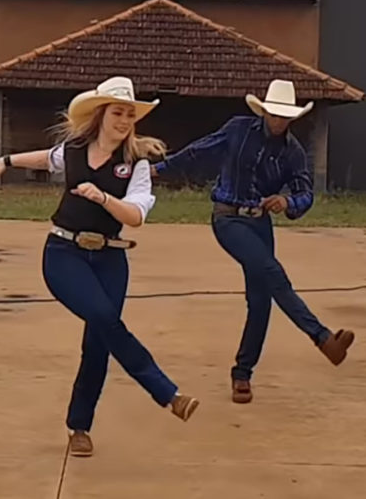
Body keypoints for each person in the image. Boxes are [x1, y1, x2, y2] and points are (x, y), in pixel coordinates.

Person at [0, 76, 199, 458]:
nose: (123, 121)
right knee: (104, 317)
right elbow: (46, 157)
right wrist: (5, 161)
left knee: (99, 342)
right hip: (63, 254)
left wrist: (102, 198)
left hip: (110, 258)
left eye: (130, 115)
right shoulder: (73, 150)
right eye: (117, 112)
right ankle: (166, 393)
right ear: (101, 115)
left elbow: (135, 216)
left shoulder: (135, 165)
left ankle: (78, 427)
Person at [151, 79, 355, 404]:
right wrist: (158, 170)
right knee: (272, 272)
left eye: (284, 116)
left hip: (260, 223)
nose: (278, 120)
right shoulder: (238, 129)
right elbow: (201, 149)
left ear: (292, 118)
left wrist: (288, 202)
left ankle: (242, 374)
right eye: (273, 114)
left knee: (261, 300)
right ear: (264, 111)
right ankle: (322, 337)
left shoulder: (293, 153)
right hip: (228, 218)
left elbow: (305, 193)